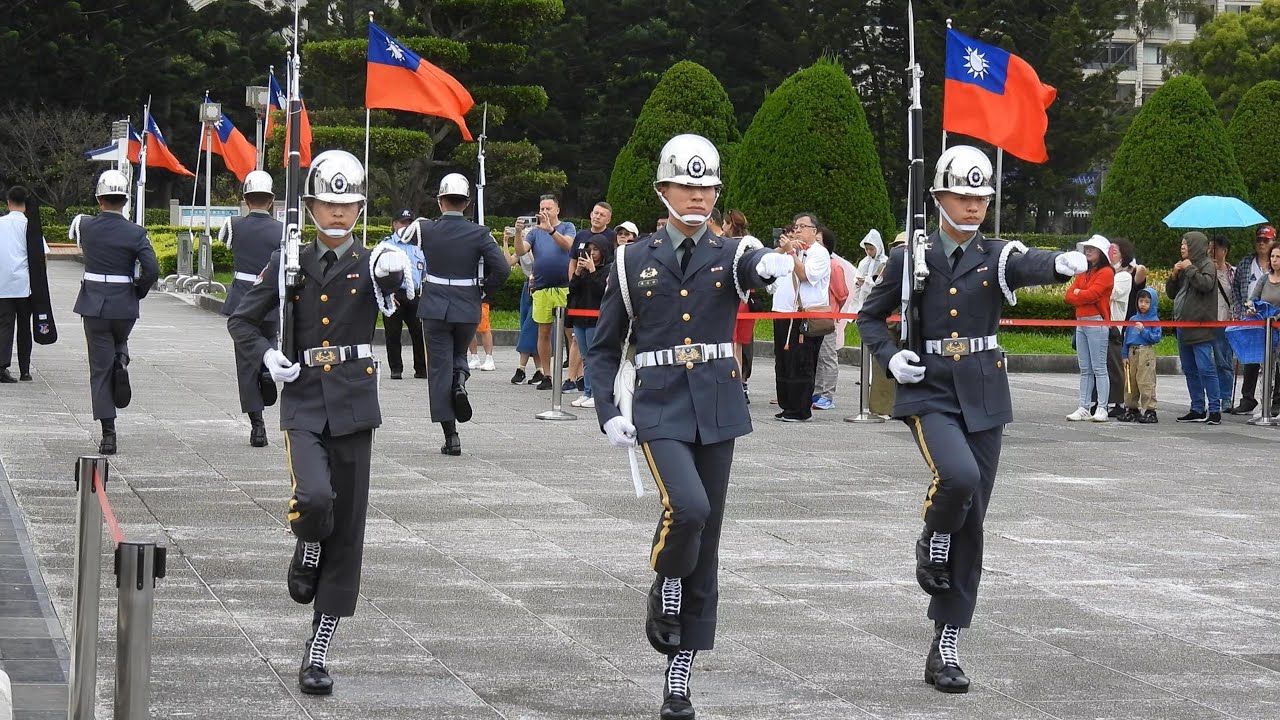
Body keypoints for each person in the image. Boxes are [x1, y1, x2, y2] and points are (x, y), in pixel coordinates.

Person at [857, 145, 1087, 694]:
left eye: (981, 197)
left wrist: (1062, 261)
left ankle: (946, 643)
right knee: (956, 478)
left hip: (984, 393)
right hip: (930, 389)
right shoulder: (910, 255)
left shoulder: (996, 254)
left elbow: (1028, 262)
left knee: (975, 519)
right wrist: (891, 358)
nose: (973, 206)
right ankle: (930, 538)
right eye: (962, 195)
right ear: (938, 198)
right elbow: (869, 317)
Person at [587, 134, 793, 720]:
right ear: (663, 190)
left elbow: (752, 265)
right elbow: (604, 348)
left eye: (707, 187)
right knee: (689, 508)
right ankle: (664, 581)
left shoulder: (730, 254)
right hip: (658, 406)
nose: (698, 196)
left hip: (718, 405)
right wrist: (607, 410)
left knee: (709, 539)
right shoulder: (631, 259)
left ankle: (680, 673)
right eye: (687, 185)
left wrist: (772, 263)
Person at [228, 149, 411, 696]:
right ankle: (307, 543)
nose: (337, 212)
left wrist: (398, 279)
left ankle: (319, 647)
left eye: (347, 203)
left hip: (354, 401)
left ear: (359, 206)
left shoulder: (376, 262)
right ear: (309, 206)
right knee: (313, 499)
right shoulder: (290, 262)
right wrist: (265, 356)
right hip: (305, 398)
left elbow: (401, 305)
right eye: (327, 203)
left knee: (348, 531)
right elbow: (241, 317)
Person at [406, 173, 511, 455]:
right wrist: (482, 293)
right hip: (467, 305)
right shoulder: (480, 232)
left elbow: (404, 243)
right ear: (466, 203)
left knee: (439, 368)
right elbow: (502, 269)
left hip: (435, 306)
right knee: (459, 356)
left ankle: (451, 436)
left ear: (440, 201)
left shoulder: (426, 229)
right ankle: (461, 383)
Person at [71, 170, 161, 454]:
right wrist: (138, 291)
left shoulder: (85, 225)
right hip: (124, 306)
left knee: (99, 370)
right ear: (126, 200)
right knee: (118, 339)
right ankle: (120, 358)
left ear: (99, 198)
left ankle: (108, 434)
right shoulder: (136, 232)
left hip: (95, 304)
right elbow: (153, 270)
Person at [218, 171, 285, 446]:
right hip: (271, 303)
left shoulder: (233, 224)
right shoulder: (284, 230)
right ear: (271, 201)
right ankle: (268, 371)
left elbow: (225, 244)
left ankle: (258, 426)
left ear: (245, 199)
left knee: (246, 363)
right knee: (268, 343)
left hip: (243, 300)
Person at [769, 212, 831, 422]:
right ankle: (787, 404)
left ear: (814, 231)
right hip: (783, 311)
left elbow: (805, 275)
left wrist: (792, 254)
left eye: (802, 226)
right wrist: (786, 250)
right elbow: (770, 265)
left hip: (805, 315)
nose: (797, 230)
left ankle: (801, 408)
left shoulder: (819, 253)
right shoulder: (792, 251)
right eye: (795, 226)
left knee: (801, 362)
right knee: (784, 361)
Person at [515, 194, 575, 390]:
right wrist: (518, 233)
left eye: (548, 208)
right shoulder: (534, 232)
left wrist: (551, 231)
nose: (545, 212)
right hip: (541, 287)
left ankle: (575, 375)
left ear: (557, 210)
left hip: (565, 286)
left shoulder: (567, 227)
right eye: (542, 208)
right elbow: (521, 251)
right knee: (543, 332)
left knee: (570, 332)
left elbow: (568, 245)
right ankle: (546, 374)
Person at [1167, 232, 1223, 425]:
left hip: (1200, 327)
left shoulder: (1207, 264)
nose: (1182, 247)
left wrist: (1189, 268)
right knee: (1189, 368)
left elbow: (1205, 284)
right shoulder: (1184, 265)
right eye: (1182, 244)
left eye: (1186, 244)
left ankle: (1215, 409)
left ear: (1196, 246)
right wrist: (1174, 276)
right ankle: (1197, 407)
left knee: (1206, 368)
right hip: (1182, 326)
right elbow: (1171, 294)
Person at [1064, 235, 1115, 423]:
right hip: (1081, 321)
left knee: (1099, 367)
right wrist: (1080, 293)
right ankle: (1083, 407)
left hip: (1097, 321)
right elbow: (1068, 295)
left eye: (1092, 249)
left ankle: (1102, 407)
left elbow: (1093, 294)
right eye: (1086, 248)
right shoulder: (1083, 272)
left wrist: (1079, 293)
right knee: (1085, 368)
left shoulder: (1106, 272)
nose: (1087, 251)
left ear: (1101, 253)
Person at [376, 209, 428, 380]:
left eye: (408, 222)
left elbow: (427, 271)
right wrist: (386, 293)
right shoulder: (386, 245)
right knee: (392, 334)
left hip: (416, 295)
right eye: (402, 222)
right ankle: (396, 369)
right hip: (394, 295)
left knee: (419, 333)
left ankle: (421, 369)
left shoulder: (419, 245)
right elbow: (377, 272)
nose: (406, 226)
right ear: (394, 224)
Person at [1231, 225, 1275, 415]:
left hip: (1273, 318)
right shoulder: (1246, 263)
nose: (1262, 244)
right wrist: (1239, 311)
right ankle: (1247, 398)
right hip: (1250, 318)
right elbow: (1235, 289)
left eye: (1266, 240)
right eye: (1259, 240)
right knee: (1250, 359)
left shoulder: (1276, 264)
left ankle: (1275, 401)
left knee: (1274, 360)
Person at [566, 233, 612, 408]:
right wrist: (577, 272)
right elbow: (573, 290)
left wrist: (593, 271)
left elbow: (602, 291)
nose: (592, 253)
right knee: (585, 357)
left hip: (596, 319)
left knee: (595, 357)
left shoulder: (608, 269)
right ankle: (587, 391)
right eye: (589, 249)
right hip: (580, 318)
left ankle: (597, 393)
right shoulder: (583, 270)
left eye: (596, 250)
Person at [812, 224, 852, 410]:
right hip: (810, 316)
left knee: (827, 356)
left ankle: (827, 394)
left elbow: (842, 294)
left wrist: (834, 311)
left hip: (827, 317)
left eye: (818, 241)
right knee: (816, 356)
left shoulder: (834, 266)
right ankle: (817, 391)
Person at [0, 186, 34, 383]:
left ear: (8, 202)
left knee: (4, 325)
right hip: (24, 284)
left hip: (3, 283)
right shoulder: (30, 225)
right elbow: (41, 256)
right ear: (26, 203)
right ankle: (25, 370)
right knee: (24, 326)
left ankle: (2, 366)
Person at [1244, 242, 1280, 414]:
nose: (1274, 260)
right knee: (1266, 368)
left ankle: (1277, 403)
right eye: (1272, 256)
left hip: (1278, 326)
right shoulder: (1264, 279)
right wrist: (1251, 307)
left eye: (1278, 257)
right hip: (1265, 331)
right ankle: (1265, 404)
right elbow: (1253, 298)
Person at [1120, 287, 1162, 424]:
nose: (1143, 304)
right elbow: (1126, 338)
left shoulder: (1154, 320)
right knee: (1130, 381)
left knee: (1146, 381)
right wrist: (1124, 355)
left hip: (1145, 352)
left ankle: (1150, 409)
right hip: (1132, 352)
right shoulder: (1133, 318)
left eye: (1147, 302)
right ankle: (1131, 408)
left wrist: (1144, 331)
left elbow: (1156, 337)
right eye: (1141, 301)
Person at [509, 217, 543, 385]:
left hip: (539, 286)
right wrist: (506, 241)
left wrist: (530, 248)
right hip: (527, 288)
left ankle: (521, 368)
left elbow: (539, 264)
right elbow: (508, 262)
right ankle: (540, 370)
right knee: (527, 326)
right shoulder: (521, 248)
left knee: (530, 328)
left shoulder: (540, 247)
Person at [1102, 240, 1133, 417]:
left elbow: (1110, 292)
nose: (1110, 253)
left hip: (1114, 324)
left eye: (1114, 250)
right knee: (1100, 365)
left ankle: (1119, 402)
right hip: (1099, 323)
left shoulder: (1124, 276)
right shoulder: (1108, 272)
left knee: (1114, 364)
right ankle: (1102, 400)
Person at [1209, 236, 1236, 411]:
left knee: (1224, 360)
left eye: (1215, 249)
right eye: (1209, 248)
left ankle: (1225, 396)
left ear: (1224, 251)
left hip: (1226, 322)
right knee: (1207, 362)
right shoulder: (1206, 271)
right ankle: (1212, 396)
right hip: (1208, 320)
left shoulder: (1233, 272)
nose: (1211, 252)